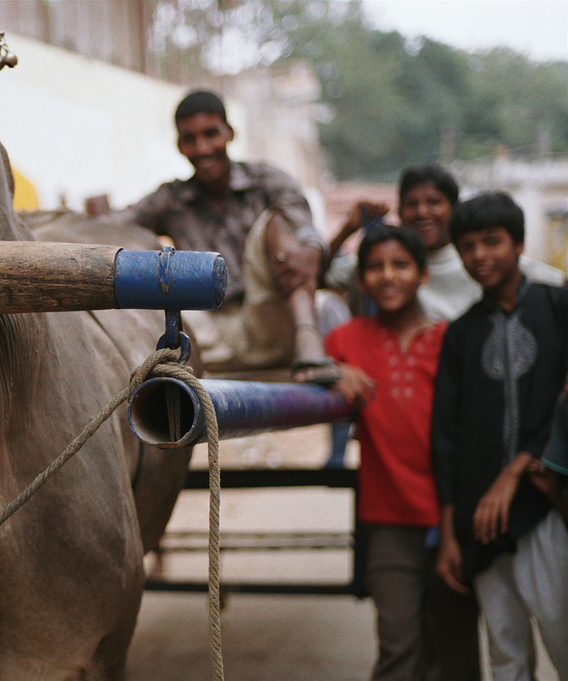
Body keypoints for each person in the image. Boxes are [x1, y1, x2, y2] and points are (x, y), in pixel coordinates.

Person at [114, 89, 341, 384]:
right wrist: (87, 217)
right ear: (180, 146)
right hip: (208, 336)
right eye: (190, 139)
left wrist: (310, 250)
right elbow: (115, 223)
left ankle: (308, 338)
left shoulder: (267, 180)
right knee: (140, 263)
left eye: (211, 134)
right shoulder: (171, 198)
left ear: (230, 133)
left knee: (276, 223)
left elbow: (306, 233)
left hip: (271, 319)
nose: (203, 148)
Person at [432, 192, 568, 681]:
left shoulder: (558, 307)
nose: (480, 257)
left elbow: (564, 404)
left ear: (520, 244)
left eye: (492, 242)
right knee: (506, 653)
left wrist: (519, 468)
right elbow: (444, 437)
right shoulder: (461, 333)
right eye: (467, 246)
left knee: (563, 634)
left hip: (544, 508)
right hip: (481, 523)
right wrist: (450, 534)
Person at [324, 224, 449, 681]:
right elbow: (300, 370)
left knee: (452, 649)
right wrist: (331, 371)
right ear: (360, 280)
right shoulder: (348, 340)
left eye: (401, 265)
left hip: (453, 516)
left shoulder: (448, 341)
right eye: (375, 267)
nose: (388, 276)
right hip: (388, 521)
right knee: (399, 648)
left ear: (423, 275)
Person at [328, 164, 565, 320]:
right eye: (412, 204)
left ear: (453, 209)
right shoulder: (384, 264)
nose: (422, 212)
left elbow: (556, 282)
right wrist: (347, 230)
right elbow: (316, 275)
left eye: (434, 202)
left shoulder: (479, 260)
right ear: (399, 211)